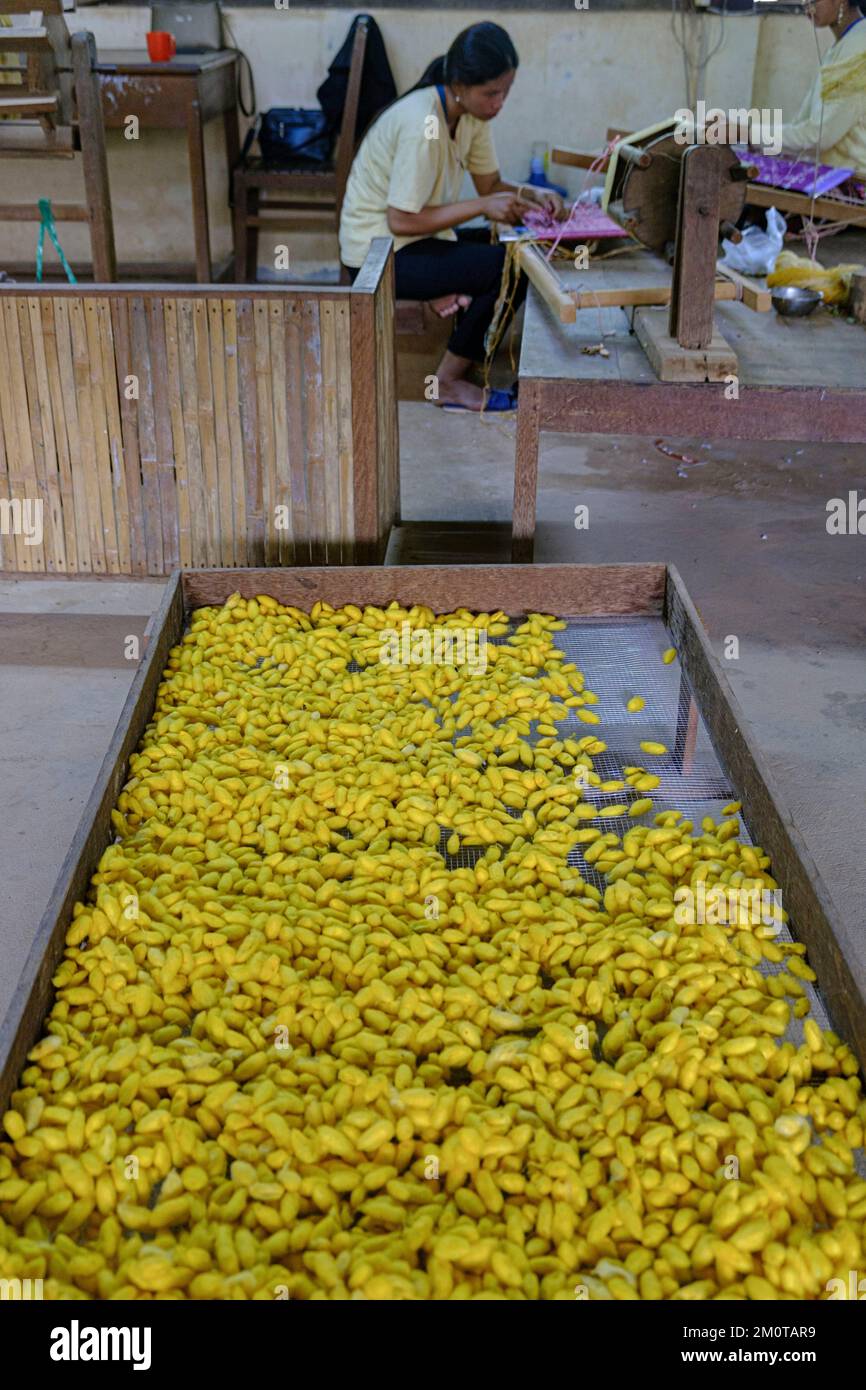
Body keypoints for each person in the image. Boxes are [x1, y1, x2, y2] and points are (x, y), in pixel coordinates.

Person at [339, 22, 566, 412]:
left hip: (412, 241)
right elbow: (401, 220)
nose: (499, 103)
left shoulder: (469, 116)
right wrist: (482, 208)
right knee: (505, 268)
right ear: (460, 84)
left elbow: (490, 184)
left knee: (510, 249)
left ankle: (461, 354)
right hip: (374, 256)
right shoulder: (421, 125)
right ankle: (445, 381)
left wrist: (534, 194)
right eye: (491, 93)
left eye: (505, 92)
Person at [771, 0, 866, 175]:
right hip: (834, 177)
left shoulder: (860, 47)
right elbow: (801, 125)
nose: (807, 6)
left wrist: (747, 132)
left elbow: (819, 136)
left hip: (856, 185)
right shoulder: (841, 46)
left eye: (814, 0)